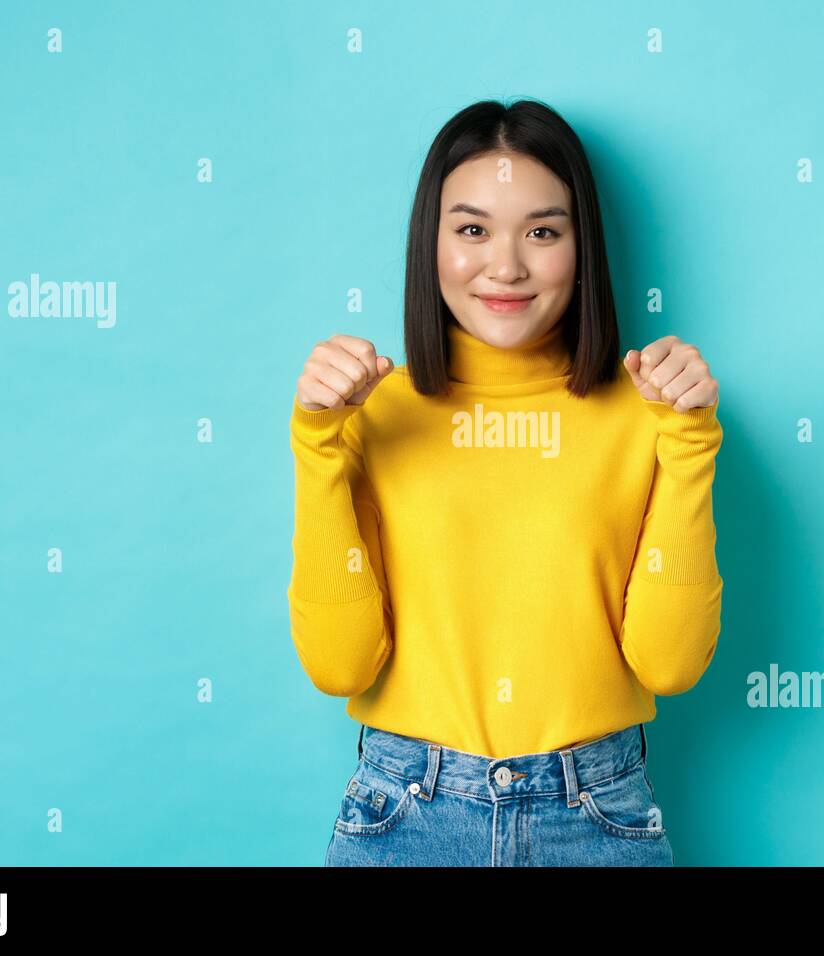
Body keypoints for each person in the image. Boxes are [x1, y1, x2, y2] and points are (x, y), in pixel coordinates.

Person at [289, 98, 723, 866]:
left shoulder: (649, 413)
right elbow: (339, 666)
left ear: (582, 247)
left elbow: (671, 665)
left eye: (543, 232)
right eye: (472, 229)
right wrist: (320, 445)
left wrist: (689, 444)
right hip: (406, 811)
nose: (506, 266)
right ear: (432, 241)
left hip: (595, 815)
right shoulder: (371, 411)